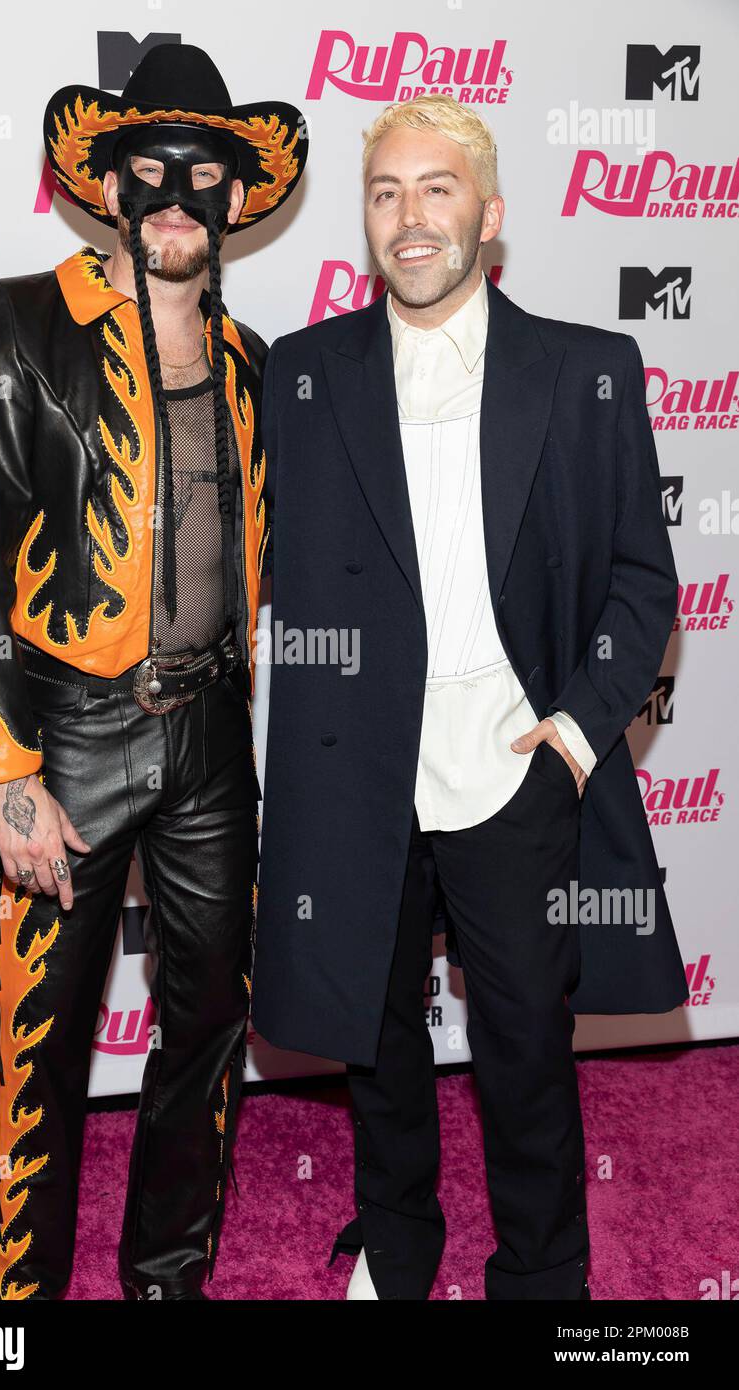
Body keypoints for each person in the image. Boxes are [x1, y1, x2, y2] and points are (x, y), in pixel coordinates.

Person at [251, 94, 687, 1301]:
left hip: (514, 764)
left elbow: (643, 581)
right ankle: (397, 1245)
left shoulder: (586, 370)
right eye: (385, 192)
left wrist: (577, 733)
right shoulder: (300, 375)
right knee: (377, 1037)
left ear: (487, 216)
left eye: (435, 188)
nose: (409, 217)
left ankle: (543, 1279)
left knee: (525, 1052)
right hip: (360, 769)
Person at [0, 43, 306, 1301]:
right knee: (34, 1053)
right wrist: (9, 774)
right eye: (145, 175)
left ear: (238, 201)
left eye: (200, 178)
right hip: (69, 740)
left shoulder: (258, 366)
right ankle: (13, 1312)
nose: (172, 200)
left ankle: (165, 1283)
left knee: (202, 1039)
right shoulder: (21, 322)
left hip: (211, 740)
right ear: (104, 186)